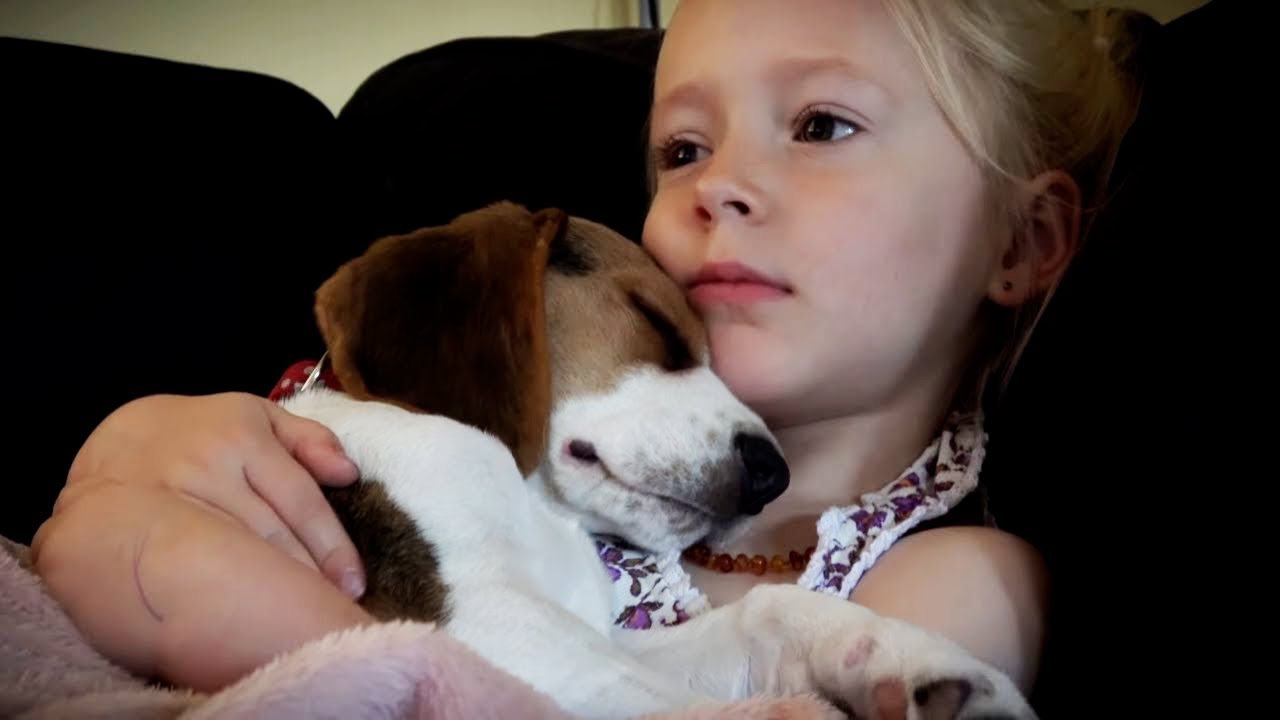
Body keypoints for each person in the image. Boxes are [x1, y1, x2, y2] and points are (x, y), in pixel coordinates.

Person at [29, 0, 1139, 703]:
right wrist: (144, 438)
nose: (716, 186)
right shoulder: (530, 432)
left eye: (819, 125)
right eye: (680, 147)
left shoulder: (948, 578)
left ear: (1021, 241)